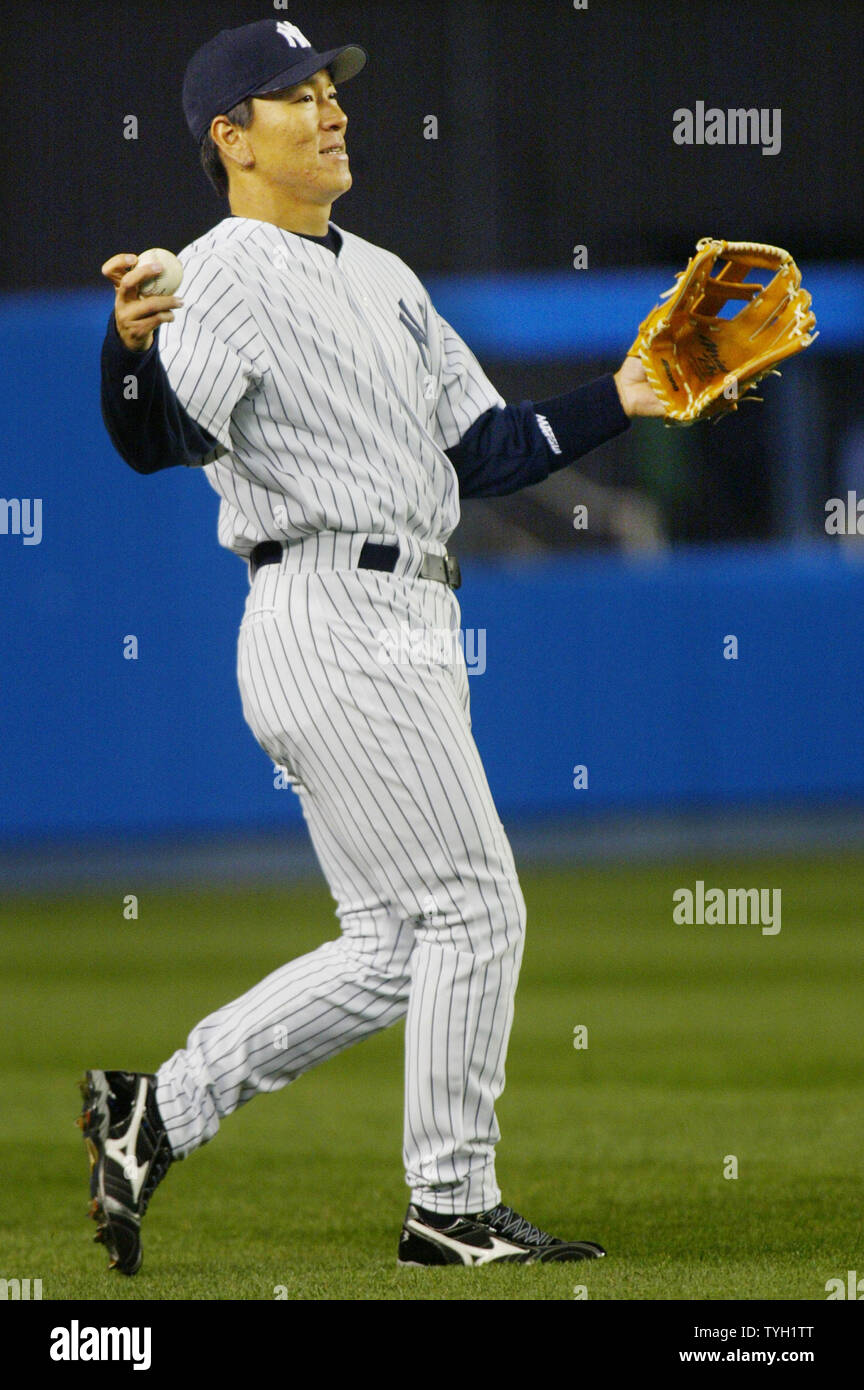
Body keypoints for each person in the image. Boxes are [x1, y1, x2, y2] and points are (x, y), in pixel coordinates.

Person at [81, 17, 664, 1275]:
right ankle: (448, 1203)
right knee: (477, 907)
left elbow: (489, 454)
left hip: (406, 616)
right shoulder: (226, 265)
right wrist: (127, 353)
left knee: (394, 943)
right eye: (293, 96)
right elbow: (161, 440)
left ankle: (156, 1109)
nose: (331, 109)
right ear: (229, 139)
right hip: (329, 609)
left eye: (331, 89)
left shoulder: (388, 276)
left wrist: (627, 395)